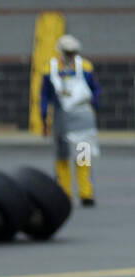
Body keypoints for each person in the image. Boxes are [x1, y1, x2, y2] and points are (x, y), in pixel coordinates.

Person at [40, 34, 100, 206]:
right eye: (67, 52)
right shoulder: (49, 69)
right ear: (60, 51)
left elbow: (96, 91)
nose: (70, 55)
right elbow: (45, 96)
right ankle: (64, 193)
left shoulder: (86, 67)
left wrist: (94, 107)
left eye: (73, 52)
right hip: (61, 120)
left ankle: (86, 193)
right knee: (62, 157)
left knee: (83, 157)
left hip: (82, 120)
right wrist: (44, 119)